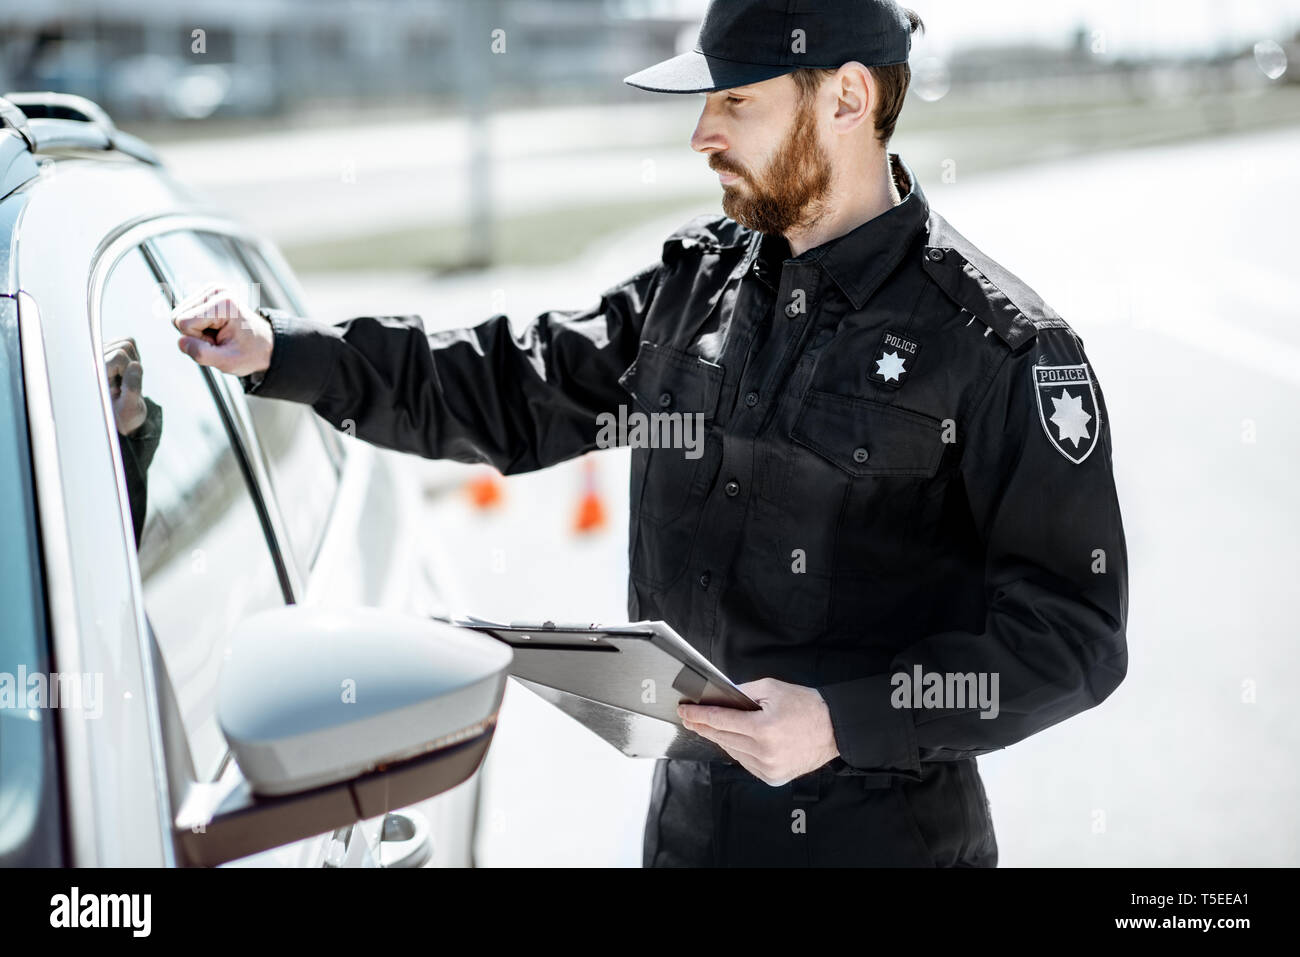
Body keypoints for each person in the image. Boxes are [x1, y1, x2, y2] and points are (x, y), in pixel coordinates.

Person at [174, 0, 1128, 867]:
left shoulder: (1000, 347)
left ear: (845, 97)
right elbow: (511, 384)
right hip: (684, 834)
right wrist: (277, 352)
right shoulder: (694, 287)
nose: (702, 134)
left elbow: (1074, 638)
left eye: (737, 103)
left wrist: (846, 719)